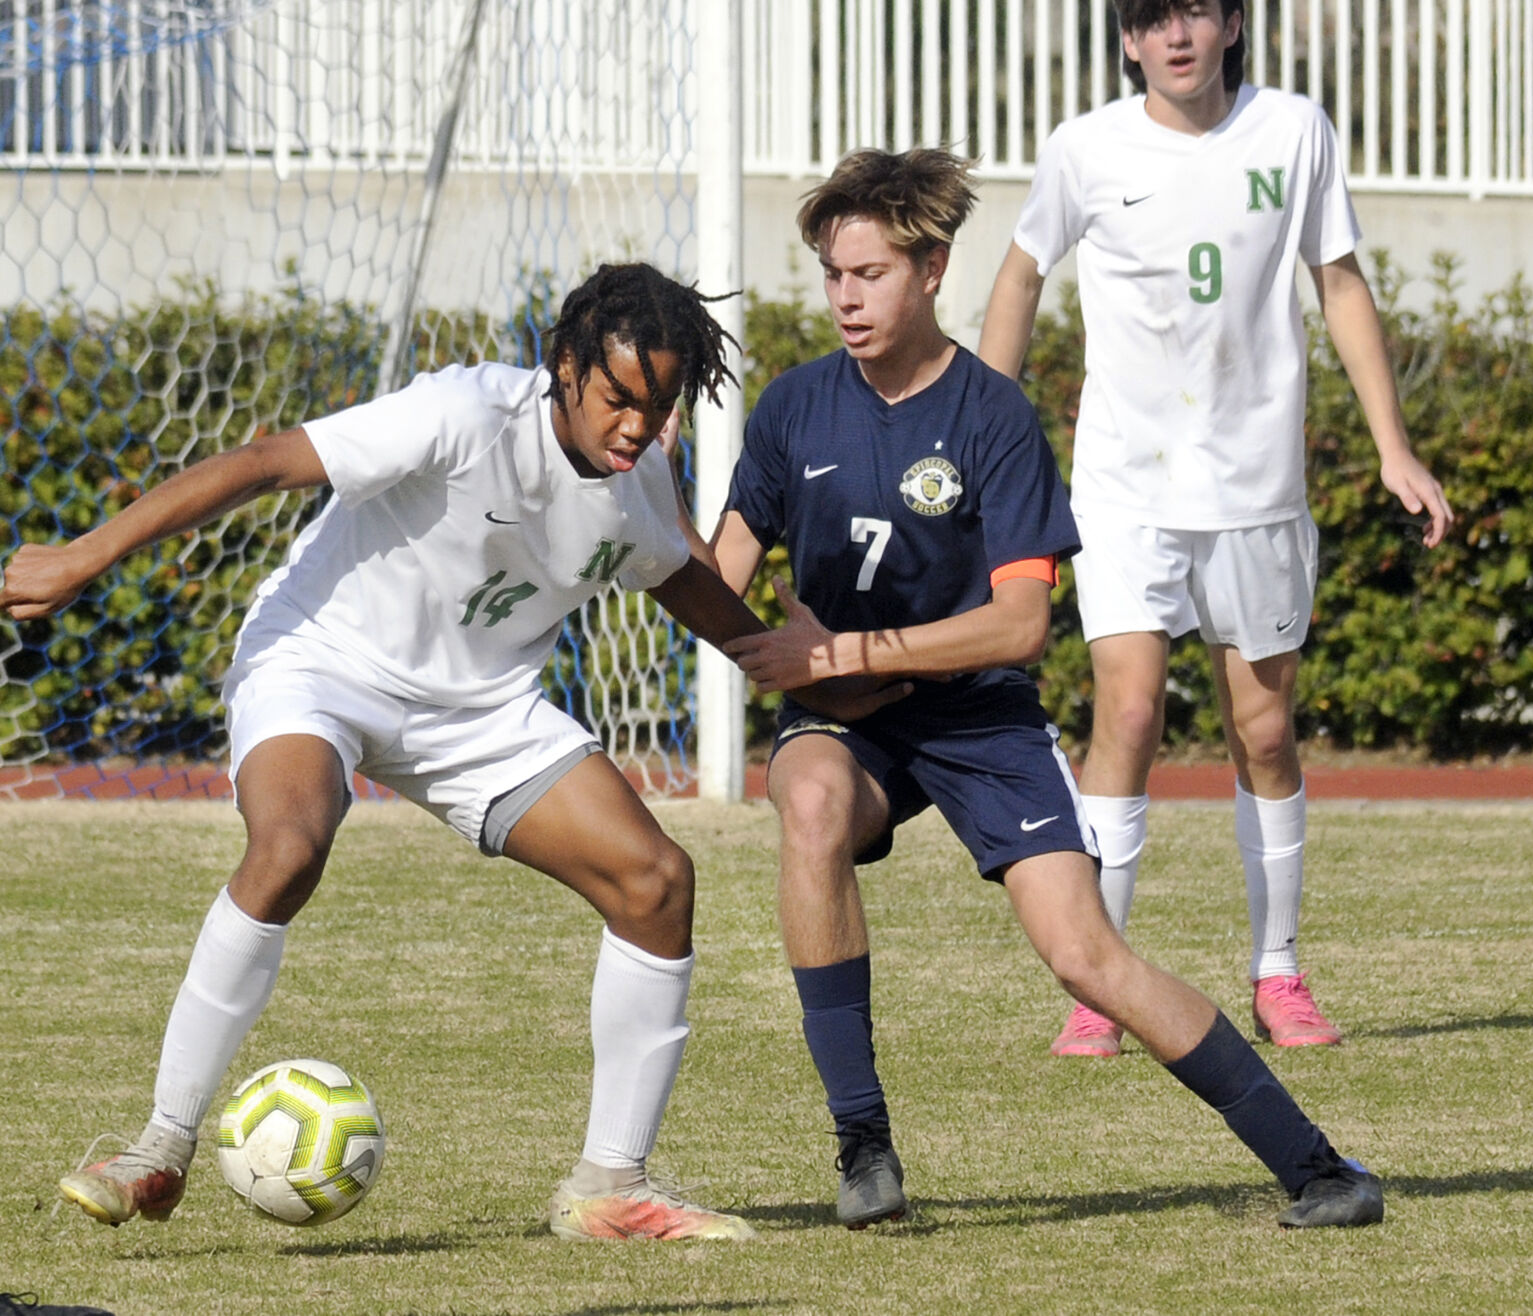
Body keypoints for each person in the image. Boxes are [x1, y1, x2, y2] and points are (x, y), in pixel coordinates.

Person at [2, 262, 887, 1242]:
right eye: (618, 398)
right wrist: (86, 553)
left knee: (656, 880)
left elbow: (701, 599)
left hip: (478, 713)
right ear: (566, 367)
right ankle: (158, 1146)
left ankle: (608, 1182)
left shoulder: (639, 487)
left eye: (658, 404)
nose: (636, 426)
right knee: (289, 845)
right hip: (322, 660)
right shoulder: (463, 412)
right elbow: (261, 463)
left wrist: (839, 674)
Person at [707, 146, 1384, 1230]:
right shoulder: (792, 410)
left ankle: (1317, 1166)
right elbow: (722, 574)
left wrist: (845, 655)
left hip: (978, 713)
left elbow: (1019, 624)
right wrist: (632, 539)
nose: (844, 297)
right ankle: (863, 1143)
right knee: (812, 803)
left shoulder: (993, 417)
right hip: (841, 725)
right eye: (833, 274)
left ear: (931, 269)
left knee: (1083, 954)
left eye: (869, 273)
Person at [977, 0, 1453, 1058]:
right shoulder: (1084, 148)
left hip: (1254, 488)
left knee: (1266, 732)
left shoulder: (1294, 129)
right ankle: (1099, 981)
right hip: (1123, 491)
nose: (1175, 35)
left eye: (1195, 11)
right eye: (1151, 19)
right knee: (1130, 712)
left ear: (1232, 24)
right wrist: (980, 431)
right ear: (1127, 40)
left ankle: (1278, 970)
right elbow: (1018, 277)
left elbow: (1338, 283)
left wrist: (1393, 445)